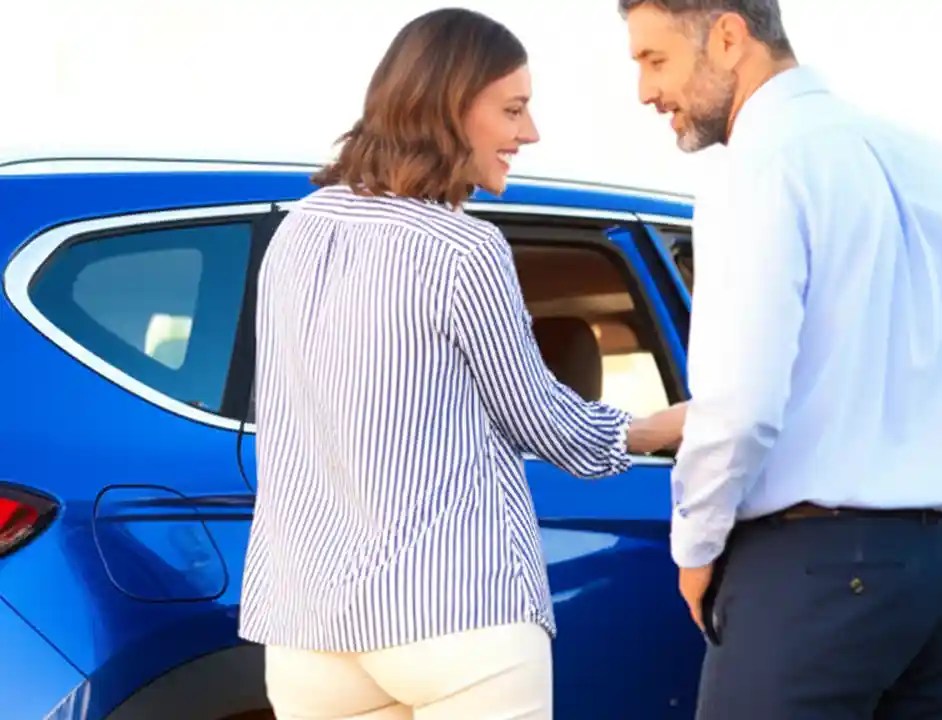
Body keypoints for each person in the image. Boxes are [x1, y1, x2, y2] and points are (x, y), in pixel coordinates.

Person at [239, 8, 687, 720]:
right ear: (450, 108)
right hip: (454, 618)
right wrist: (662, 428)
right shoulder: (463, 250)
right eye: (513, 109)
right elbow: (543, 420)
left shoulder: (297, 232)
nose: (528, 133)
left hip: (308, 631)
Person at [619, 1, 942, 718]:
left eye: (654, 59)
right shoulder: (936, 160)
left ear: (728, 37)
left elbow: (741, 406)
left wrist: (694, 547)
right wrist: (913, 456)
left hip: (815, 578)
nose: (644, 91)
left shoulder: (757, 168)